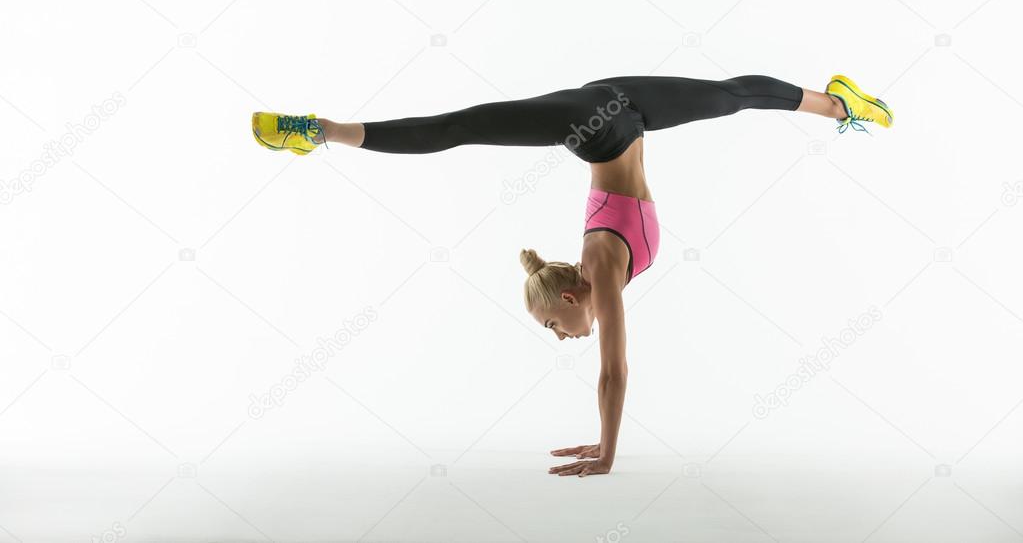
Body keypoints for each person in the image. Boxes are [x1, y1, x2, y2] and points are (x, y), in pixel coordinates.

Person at [251, 73, 893, 477]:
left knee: (460, 128)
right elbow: (608, 359)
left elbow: (615, 370)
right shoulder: (593, 266)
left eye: (555, 324)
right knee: (731, 95)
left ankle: (321, 131)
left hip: (601, 121)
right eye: (557, 332)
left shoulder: (604, 268)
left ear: (569, 295)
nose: (562, 336)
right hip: (627, 106)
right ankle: (840, 105)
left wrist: (607, 450)